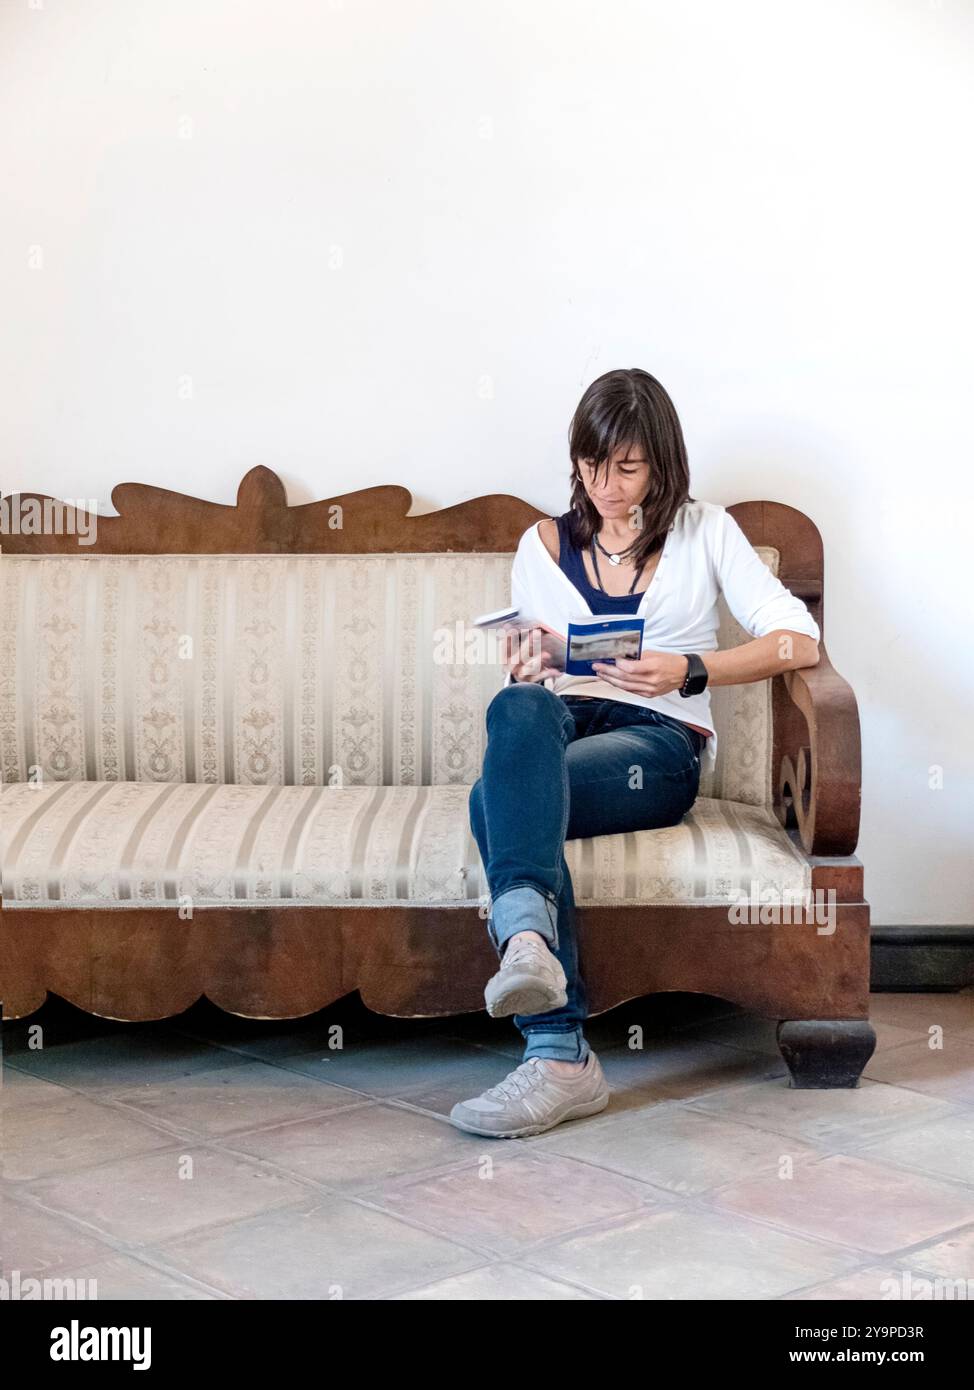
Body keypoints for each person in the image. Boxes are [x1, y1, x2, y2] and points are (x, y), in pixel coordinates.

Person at [449, 368, 821, 1139]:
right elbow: (532, 658)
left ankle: (555, 1051)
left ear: (662, 462)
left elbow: (797, 639)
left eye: (626, 467)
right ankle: (531, 955)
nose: (606, 486)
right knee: (516, 704)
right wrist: (529, 659)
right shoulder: (543, 544)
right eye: (592, 465)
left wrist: (691, 668)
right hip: (560, 726)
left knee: (497, 803)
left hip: (656, 745)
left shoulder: (704, 530)